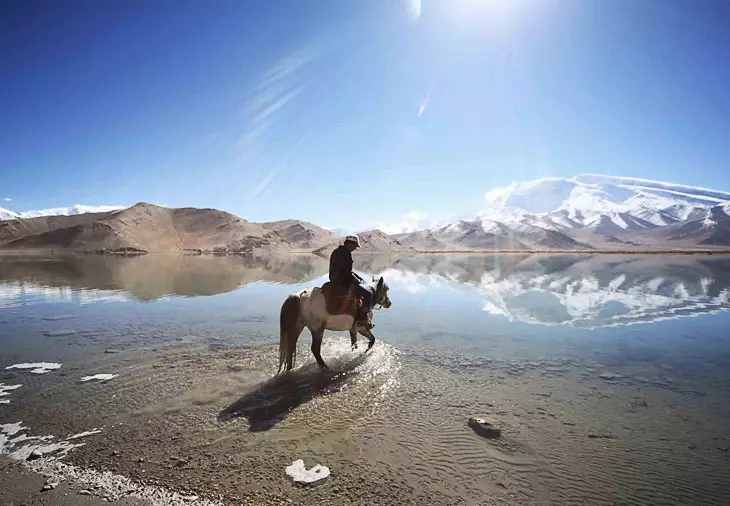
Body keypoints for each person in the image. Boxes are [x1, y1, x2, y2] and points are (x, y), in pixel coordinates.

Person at [328, 235, 374, 329]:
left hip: (334, 279)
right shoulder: (346, 253)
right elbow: (345, 272)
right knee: (368, 294)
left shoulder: (337, 251)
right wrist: (354, 279)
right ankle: (363, 319)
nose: (355, 248)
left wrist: (355, 275)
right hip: (342, 281)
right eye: (355, 246)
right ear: (350, 244)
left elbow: (342, 269)